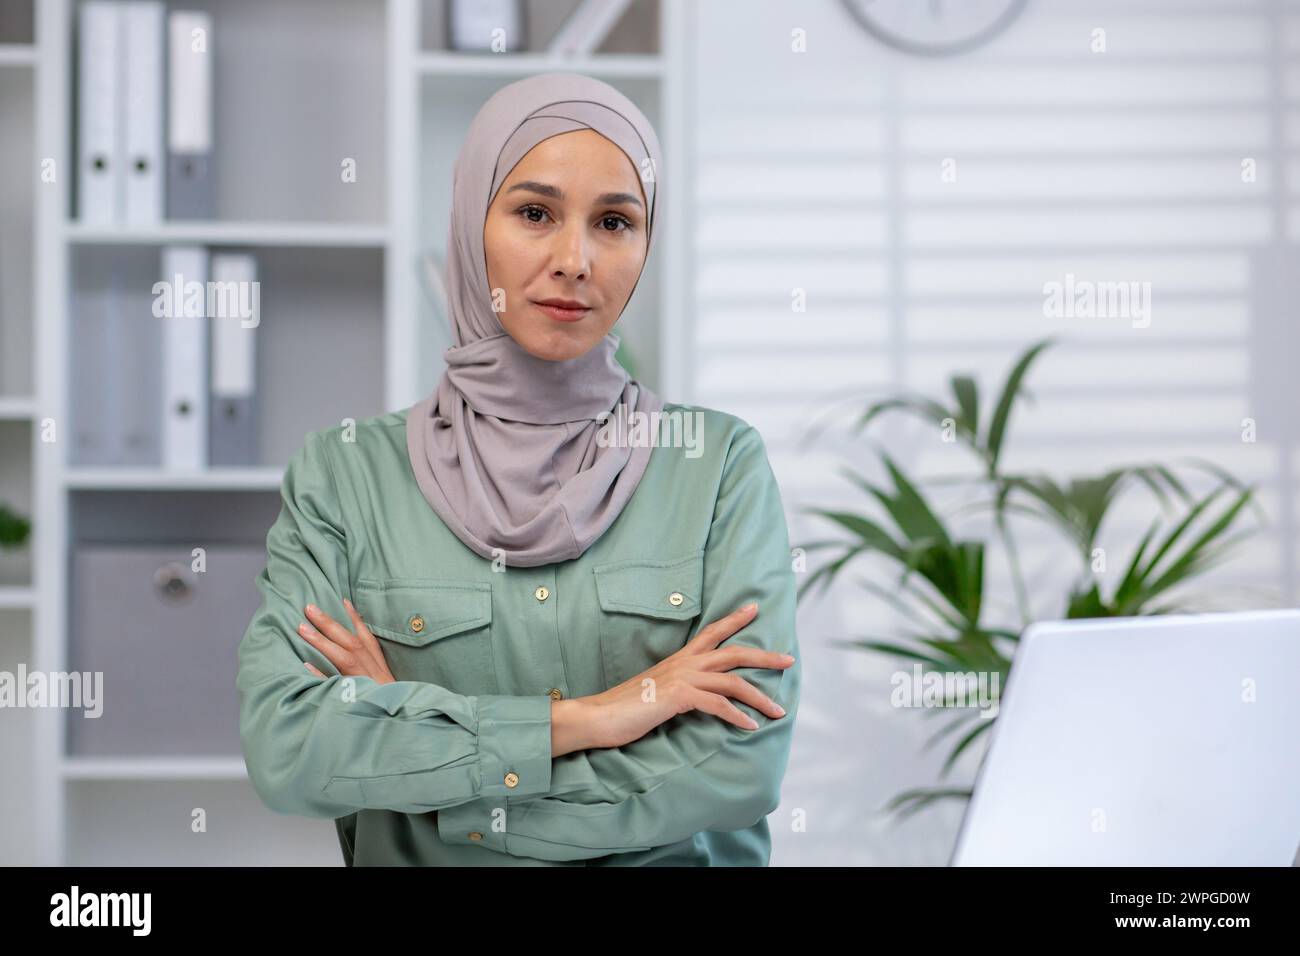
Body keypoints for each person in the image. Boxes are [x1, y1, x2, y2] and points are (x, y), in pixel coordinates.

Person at [236, 72, 801, 866]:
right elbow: (290, 748)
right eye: (535, 213)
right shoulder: (347, 474)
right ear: (474, 223)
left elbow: (737, 768)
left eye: (614, 221)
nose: (575, 259)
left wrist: (429, 777)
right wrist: (602, 716)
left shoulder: (717, 468)